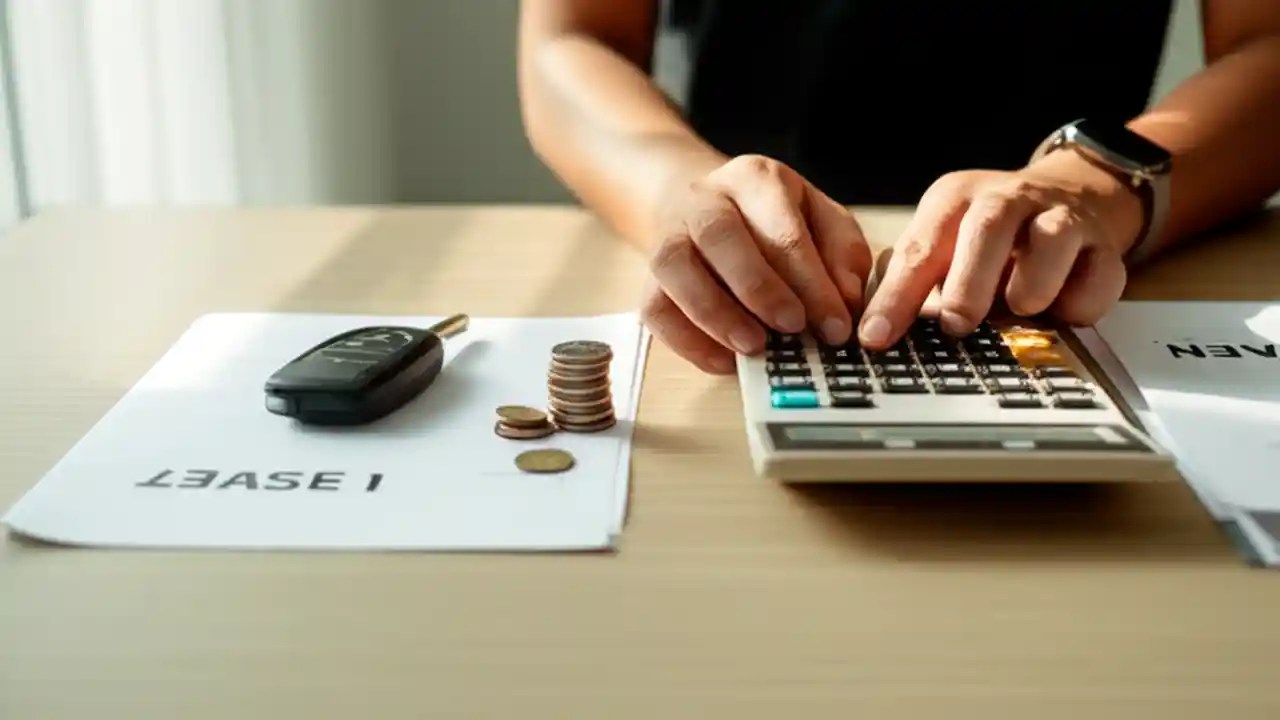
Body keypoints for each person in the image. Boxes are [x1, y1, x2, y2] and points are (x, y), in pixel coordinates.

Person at [517, 1, 1280, 374]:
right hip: (739, 274)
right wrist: (678, 195)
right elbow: (574, 38)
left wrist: (1098, 183)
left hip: (1080, 268)